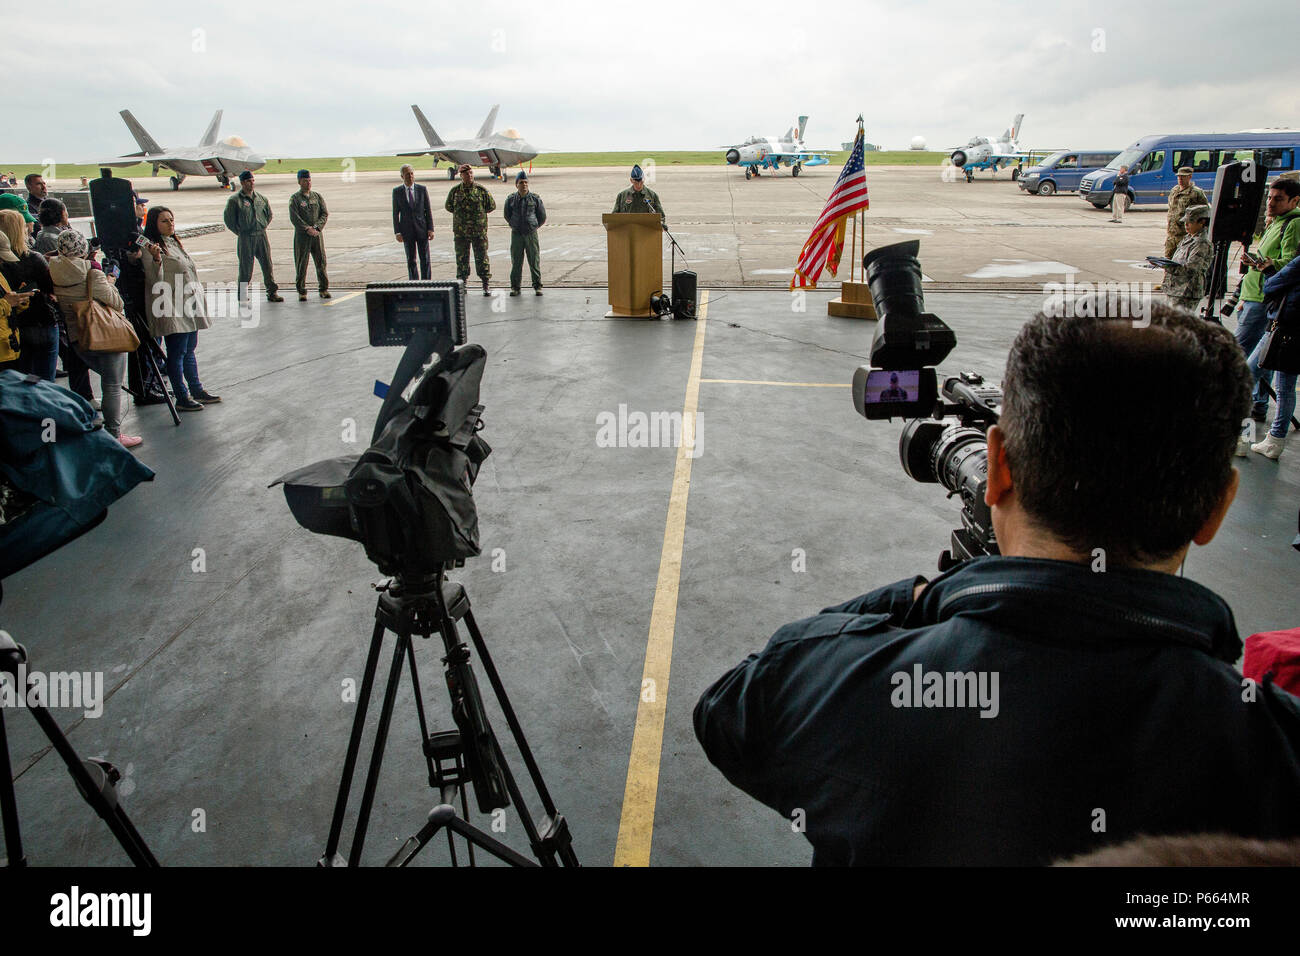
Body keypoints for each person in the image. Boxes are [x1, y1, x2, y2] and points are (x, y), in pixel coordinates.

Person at [695, 302, 1300, 866]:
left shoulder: (846, 685)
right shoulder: (1277, 751)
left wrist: (925, 599)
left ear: (999, 469)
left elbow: (728, 712)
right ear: (1217, 508)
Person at [48, 229, 143, 448]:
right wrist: (110, 280)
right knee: (111, 385)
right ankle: (115, 434)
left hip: (77, 336)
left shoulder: (54, 270)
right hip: (103, 333)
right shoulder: (92, 272)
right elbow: (115, 302)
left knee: (105, 380)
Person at [1233, 178, 1300, 422]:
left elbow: (1291, 263)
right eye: (1270, 198)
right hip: (1253, 295)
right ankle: (1258, 404)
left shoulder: (1293, 223)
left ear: (1295, 201)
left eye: (1278, 198)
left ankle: (1234, 408)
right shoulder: (1276, 221)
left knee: (1241, 357)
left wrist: (1268, 265)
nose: (1270, 203)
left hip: (1264, 299)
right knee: (1264, 360)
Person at [143, 205, 219, 413]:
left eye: (172, 220)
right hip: (171, 305)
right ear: (154, 224)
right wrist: (156, 258)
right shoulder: (150, 247)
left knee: (189, 349)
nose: (170, 224)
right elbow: (153, 279)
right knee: (177, 352)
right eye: (164, 221)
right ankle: (182, 395)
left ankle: (196, 388)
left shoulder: (173, 243)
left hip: (187, 303)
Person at [1236, 247, 1300, 460]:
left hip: (1281, 328)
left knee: (1248, 375)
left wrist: (1269, 270)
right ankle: (1275, 439)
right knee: (1286, 388)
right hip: (1296, 333)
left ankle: (1241, 438)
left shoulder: (1298, 263)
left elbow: (1271, 285)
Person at [0, 209, 58, 380]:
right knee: (45, 386)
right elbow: (50, 288)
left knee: (22, 384)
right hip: (39, 322)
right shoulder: (33, 258)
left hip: (16, 330)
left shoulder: (6, 268)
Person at [223, 170, 282, 303]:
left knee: (267, 265)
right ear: (243, 183)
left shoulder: (261, 198)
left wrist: (263, 224)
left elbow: (269, 214)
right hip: (246, 237)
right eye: (249, 181)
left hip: (261, 235)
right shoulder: (235, 200)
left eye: (253, 180)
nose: (252, 183)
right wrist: (240, 232)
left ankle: (272, 292)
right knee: (246, 268)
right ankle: (242, 295)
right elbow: (229, 219)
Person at [445, 164, 496, 295]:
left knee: (482, 258)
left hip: (478, 232)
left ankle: (485, 285)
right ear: (461, 175)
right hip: (461, 233)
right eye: (467, 174)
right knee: (461, 259)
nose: (470, 176)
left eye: (471, 173)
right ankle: (463, 285)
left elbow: (491, 206)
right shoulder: (455, 191)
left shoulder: (481, 190)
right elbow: (449, 207)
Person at [1161, 203, 1213, 311]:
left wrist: (1167, 266)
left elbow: (1190, 269)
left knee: (1177, 325)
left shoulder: (1201, 243)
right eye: (1185, 222)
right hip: (1176, 289)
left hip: (1186, 292)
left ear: (1202, 222)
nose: (1186, 225)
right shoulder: (1188, 238)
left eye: (1190, 222)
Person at [288, 169, 330, 301]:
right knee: (301, 263)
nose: (308, 183)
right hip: (302, 236)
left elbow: (324, 213)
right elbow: (294, 217)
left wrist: (317, 227)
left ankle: (323, 289)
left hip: (317, 235)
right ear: (299, 182)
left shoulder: (316, 196)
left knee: (321, 262)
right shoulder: (295, 199)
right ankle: (301, 291)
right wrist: (307, 229)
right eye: (305, 180)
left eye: (310, 180)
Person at [503, 170, 546, 296]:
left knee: (534, 260)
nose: (524, 185)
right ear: (517, 185)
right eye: (521, 182)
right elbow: (507, 214)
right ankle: (515, 287)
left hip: (531, 233)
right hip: (517, 234)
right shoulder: (511, 199)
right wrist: (513, 224)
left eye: (526, 182)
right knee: (516, 261)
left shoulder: (535, 198)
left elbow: (542, 216)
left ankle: (537, 286)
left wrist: (534, 226)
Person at [392, 164, 434, 280]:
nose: (410, 176)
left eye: (411, 174)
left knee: (425, 258)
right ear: (402, 176)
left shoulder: (422, 189)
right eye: (407, 174)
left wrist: (430, 229)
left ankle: (427, 283)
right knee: (411, 260)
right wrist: (397, 232)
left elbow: (428, 210)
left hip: (422, 229)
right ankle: (414, 283)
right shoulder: (397, 192)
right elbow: (395, 214)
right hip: (407, 231)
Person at [1165, 166, 1208, 257]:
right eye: (1179, 176)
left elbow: (1204, 212)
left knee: (1182, 262)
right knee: (1168, 262)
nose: (1180, 179)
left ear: (1189, 177)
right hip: (1172, 234)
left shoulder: (1196, 192)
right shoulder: (1174, 190)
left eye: (1183, 176)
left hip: (1185, 234)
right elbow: (1171, 208)